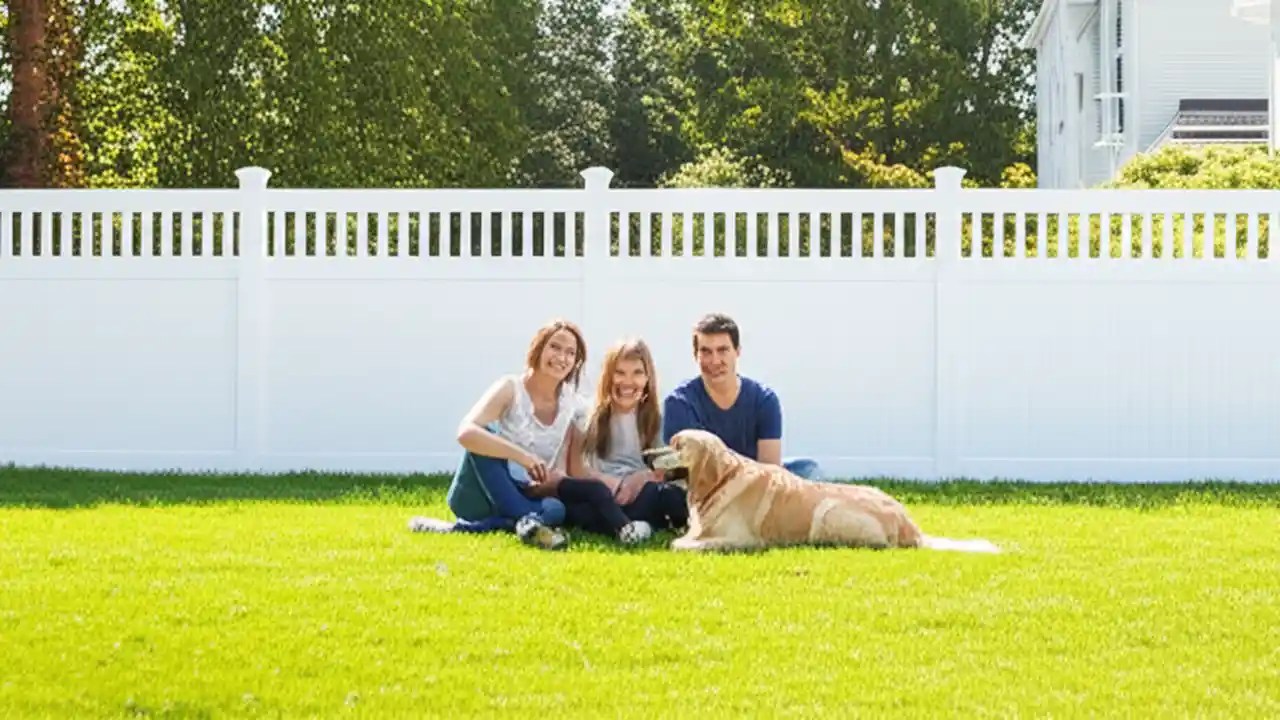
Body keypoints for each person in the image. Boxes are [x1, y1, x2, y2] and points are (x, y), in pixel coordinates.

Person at [408, 319, 587, 550]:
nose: (561, 357)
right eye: (554, 347)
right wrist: (523, 457)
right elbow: (465, 432)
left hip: (527, 493)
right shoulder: (510, 388)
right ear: (539, 347)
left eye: (570, 353)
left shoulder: (573, 404)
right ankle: (526, 520)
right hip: (483, 492)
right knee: (483, 433)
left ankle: (514, 525)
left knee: (556, 508)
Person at [558, 338, 688, 543]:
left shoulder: (657, 417)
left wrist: (637, 480)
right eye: (620, 373)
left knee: (666, 495)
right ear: (608, 377)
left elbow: (662, 469)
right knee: (580, 506)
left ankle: (633, 524)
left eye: (637, 373)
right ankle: (631, 525)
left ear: (647, 379)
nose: (628, 382)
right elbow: (576, 469)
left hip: (639, 495)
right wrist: (617, 485)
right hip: (601, 494)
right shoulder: (585, 414)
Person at [662, 312, 821, 479]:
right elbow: (692, 475)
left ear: (737, 351)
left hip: (756, 481)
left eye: (722, 350)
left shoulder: (764, 400)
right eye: (706, 352)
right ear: (696, 355)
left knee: (809, 470)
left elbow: (770, 470)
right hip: (708, 488)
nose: (715, 361)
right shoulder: (680, 403)